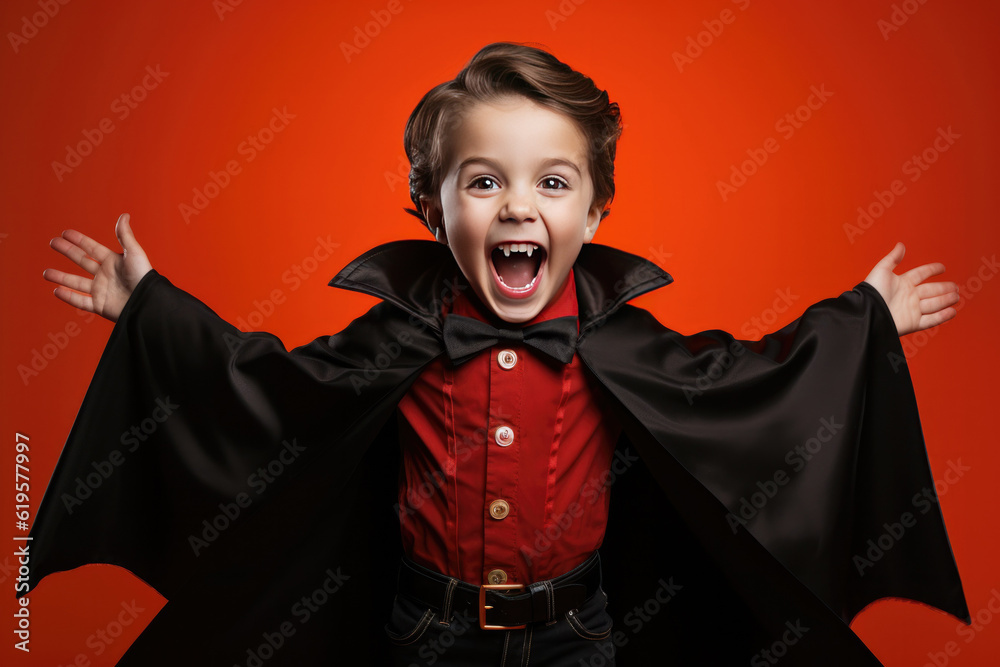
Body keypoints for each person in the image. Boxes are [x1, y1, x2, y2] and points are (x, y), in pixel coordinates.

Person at [28, 42, 968, 666]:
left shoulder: (621, 340)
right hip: (423, 631)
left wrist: (861, 320)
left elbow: (751, 382)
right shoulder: (393, 337)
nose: (519, 205)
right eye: (483, 181)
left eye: (552, 182)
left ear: (594, 213)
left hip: (580, 634)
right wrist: (148, 311)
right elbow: (265, 387)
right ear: (432, 208)